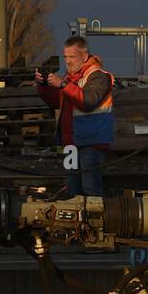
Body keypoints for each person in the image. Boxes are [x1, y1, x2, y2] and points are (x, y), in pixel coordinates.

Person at [36, 36, 115, 197]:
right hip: (70, 144)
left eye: (72, 57)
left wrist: (63, 85)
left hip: (91, 142)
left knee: (90, 188)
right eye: (66, 57)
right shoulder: (69, 78)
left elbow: (88, 101)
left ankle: (94, 221)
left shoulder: (99, 76)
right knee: (72, 188)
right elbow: (56, 101)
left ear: (84, 57)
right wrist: (44, 85)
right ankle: (79, 221)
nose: (68, 61)